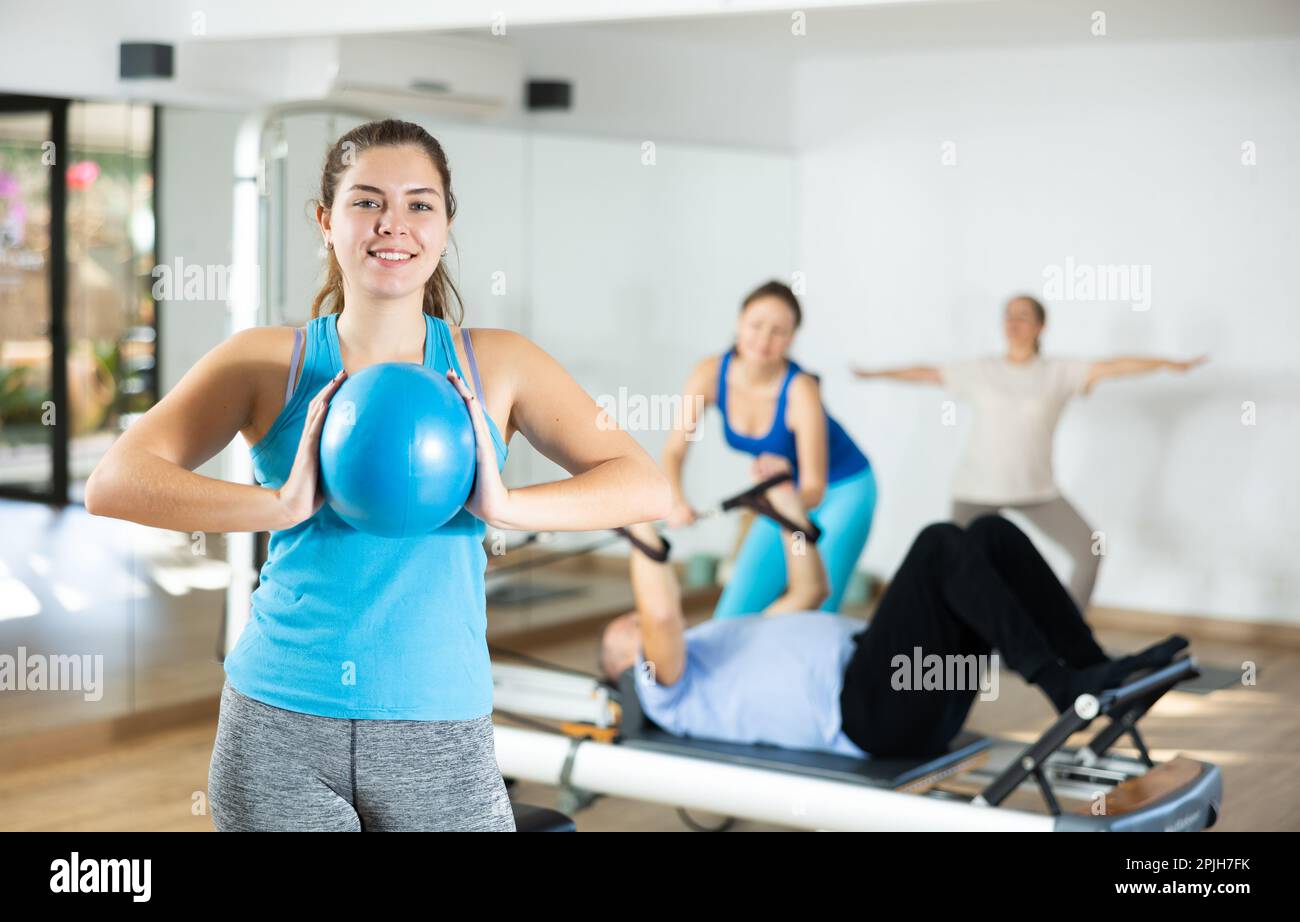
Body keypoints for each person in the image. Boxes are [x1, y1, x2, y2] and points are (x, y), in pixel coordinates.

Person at [84, 119, 671, 831]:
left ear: (446, 224)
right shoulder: (269, 362)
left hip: (438, 724)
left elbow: (643, 482)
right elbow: (114, 480)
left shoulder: (501, 364)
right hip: (280, 720)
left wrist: (507, 504)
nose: (394, 224)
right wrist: (277, 505)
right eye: (368, 201)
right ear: (327, 220)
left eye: (420, 204)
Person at [598, 465, 1187, 759]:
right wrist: (639, 523)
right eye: (623, 631)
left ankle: (1090, 672)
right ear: (622, 667)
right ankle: (1063, 685)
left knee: (990, 534)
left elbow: (807, 589)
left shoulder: (721, 638)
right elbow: (663, 618)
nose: (633, 622)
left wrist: (780, 510)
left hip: (915, 685)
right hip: (874, 708)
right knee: (938, 543)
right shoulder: (664, 689)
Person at [852, 293, 1206, 613]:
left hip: (1036, 490)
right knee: (951, 567)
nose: (1013, 323)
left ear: (1040, 326)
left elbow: (1113, 366)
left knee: (1090, 550)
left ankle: (1065, 630)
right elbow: (926, 372)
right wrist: (874, 374)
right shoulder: (981, 370)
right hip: (976, 489)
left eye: (1022, 316)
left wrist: (1165, 363)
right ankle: (943, 641)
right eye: (1007, 315)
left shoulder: (1059, 373)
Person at [664, 280, 876, 618]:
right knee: (733, 612)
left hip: (842, 491)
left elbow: (813, 488)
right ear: (739, 323)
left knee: (814, 610)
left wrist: (777, 498)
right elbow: (675, 450)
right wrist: (676, 500)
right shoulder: (708, 374)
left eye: (779, 331)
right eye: (756, 325)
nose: (764, 340)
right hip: (781, 494)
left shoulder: (801, 389)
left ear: (791, 339)